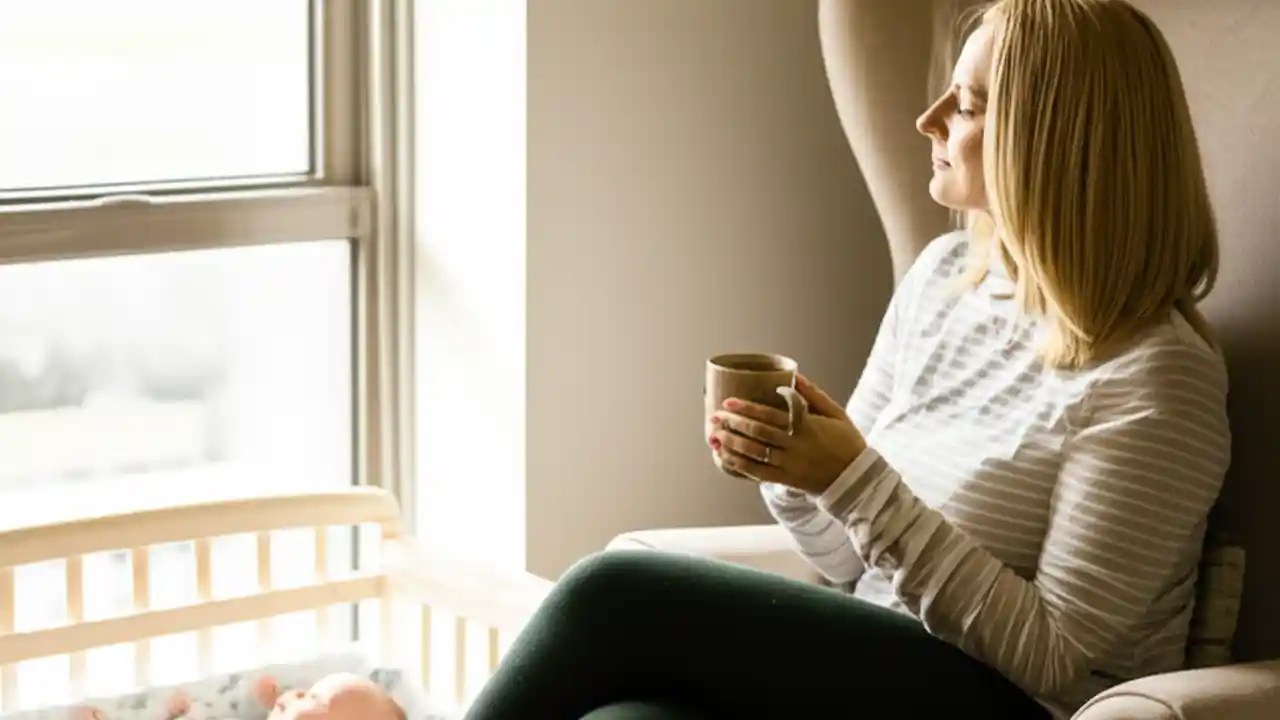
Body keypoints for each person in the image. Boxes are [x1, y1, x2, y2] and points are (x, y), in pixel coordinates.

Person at [465, 0, 1228, 717]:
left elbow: (1054, 654)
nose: (926, 120)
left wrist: (849, 476)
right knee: (629, 717)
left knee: (613, 591)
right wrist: (793, 474)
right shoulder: (942, 283)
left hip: (1005, 703)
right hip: (877, 668)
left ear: (1056, 139)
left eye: (965, 105)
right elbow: (844, 563)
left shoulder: (1158, 377)